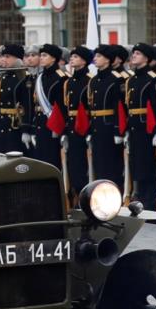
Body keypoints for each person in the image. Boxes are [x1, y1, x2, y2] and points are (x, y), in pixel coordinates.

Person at [126, 44, 156, 210]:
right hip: (134, 126)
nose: (134, 56)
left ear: (147, 58)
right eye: (133, 53)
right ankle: (140, 195)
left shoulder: (153, 79)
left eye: (138, 53)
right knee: (136, 163)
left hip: (146, 127)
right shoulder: (132, 79)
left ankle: (150, 198)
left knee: (148, 163)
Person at [87, 43, 128, 193]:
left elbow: (120, 107)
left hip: (109, 126)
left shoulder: (116, 79)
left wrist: (118, 130)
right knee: (99, 163)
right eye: (95, 56)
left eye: (99, 56)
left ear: (108, 60)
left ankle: (115, 193)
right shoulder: (94, 80)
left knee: (112, 164)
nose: (95, 59)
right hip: (97, 126)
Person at [61, 46, 93, 203]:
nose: (71, 59)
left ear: (84, 60)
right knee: (73, 163)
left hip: (85, 127)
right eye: (71, 56)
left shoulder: (90, 81)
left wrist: (90, 130)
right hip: (71, 127)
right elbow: (65, 108)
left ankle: (85, 196)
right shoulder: (69, 82)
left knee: (84, 164)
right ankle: (75, 196)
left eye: (75, 57)